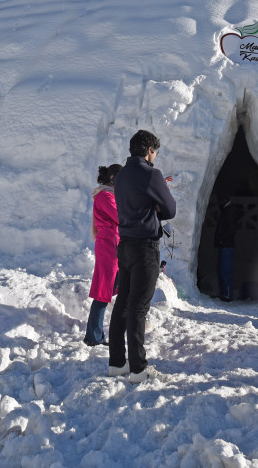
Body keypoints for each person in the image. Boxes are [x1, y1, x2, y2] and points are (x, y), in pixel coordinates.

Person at [108, 130, 176, 383]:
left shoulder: (122, 175)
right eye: (155, 152)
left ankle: (117, 363)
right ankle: (138, 369)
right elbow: (169, 209)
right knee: (138, 308)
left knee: (124, 303)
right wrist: (156, 205)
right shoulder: (151, 174)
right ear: (149, 150)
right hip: (145, 246)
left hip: (124, 244)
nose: (155, 157)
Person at [85, 163, 123, 346]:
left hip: (112, 244)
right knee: (103, 291)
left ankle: (96, 334)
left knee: (109, 288)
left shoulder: (108, 195)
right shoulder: (105, 196)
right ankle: (93, 336)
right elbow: (120, 217)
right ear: (113, 178)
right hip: (108, 244)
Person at [213, 193, 239, 301]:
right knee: (222, 269)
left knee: (225, 270)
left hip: (226, 245)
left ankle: (228, 294)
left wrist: (222, 239)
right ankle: (224, 293)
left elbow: (231, 229)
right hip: (225, 245)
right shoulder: (227, 211)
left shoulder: (229, 211)